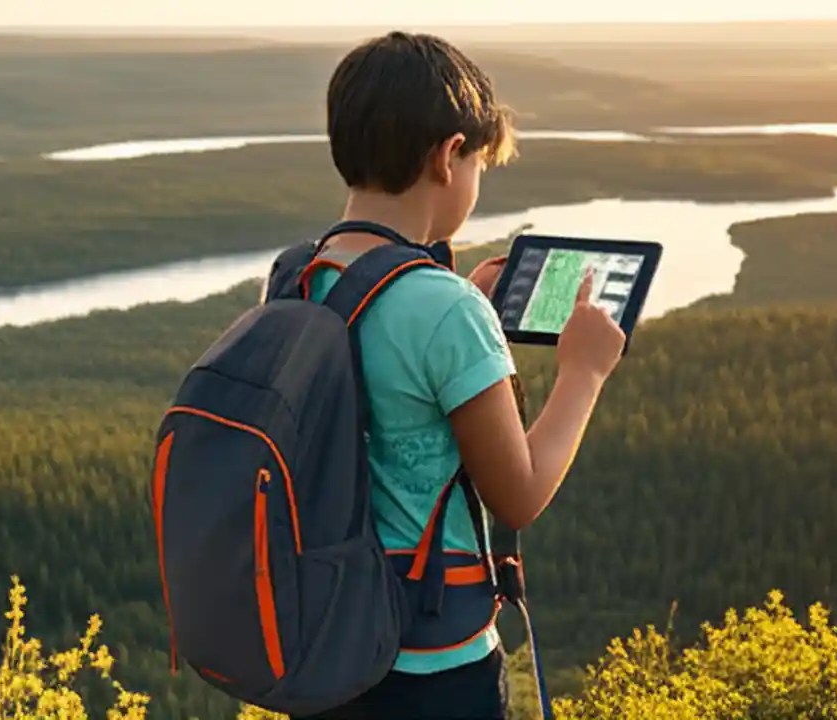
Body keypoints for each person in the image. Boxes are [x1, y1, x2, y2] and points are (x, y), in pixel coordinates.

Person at [293, 32, 626, 720]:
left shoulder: (303, 275)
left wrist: (462, 313)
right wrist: (583, 372)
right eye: (478, 163)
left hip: (327, 643)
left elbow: (382, 379)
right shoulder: (444, 309)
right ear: (449, 157)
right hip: (431, 667)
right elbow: (521, 493)